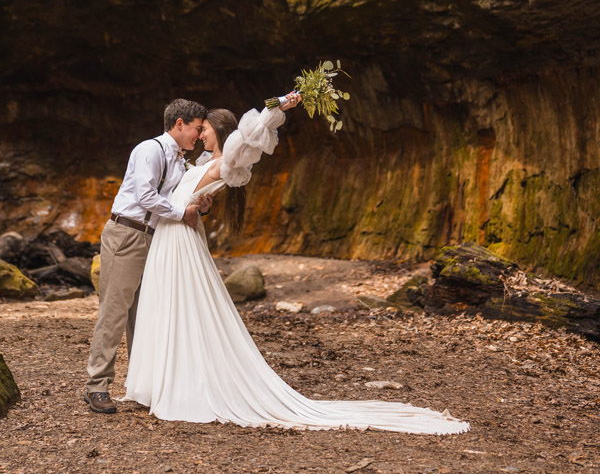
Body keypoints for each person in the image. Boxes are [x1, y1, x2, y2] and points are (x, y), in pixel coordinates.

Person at [124, 95, 469, 435]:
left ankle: (183, 386)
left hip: (180, 239)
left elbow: (247, 139)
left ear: (221, 131)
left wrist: (278, 107)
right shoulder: (201, 163)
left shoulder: (224, 160)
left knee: (184, 309)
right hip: (172, 234)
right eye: (198, 129)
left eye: (205, 129)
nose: (200, 134)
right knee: (168, 306)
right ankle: (162, 382)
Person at [84, 97, 210, 415]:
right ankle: (96, 386)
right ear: (179, 124)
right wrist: (182, 213)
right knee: (114, 312)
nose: (198, 135)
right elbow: (145, 195)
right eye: (196, 129)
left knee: (144, 314)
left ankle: (145, 385)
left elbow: (174, 196)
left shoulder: (180, 161)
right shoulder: (149, 150)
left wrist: (198, 205)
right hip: (127, 235)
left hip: (153, 239)